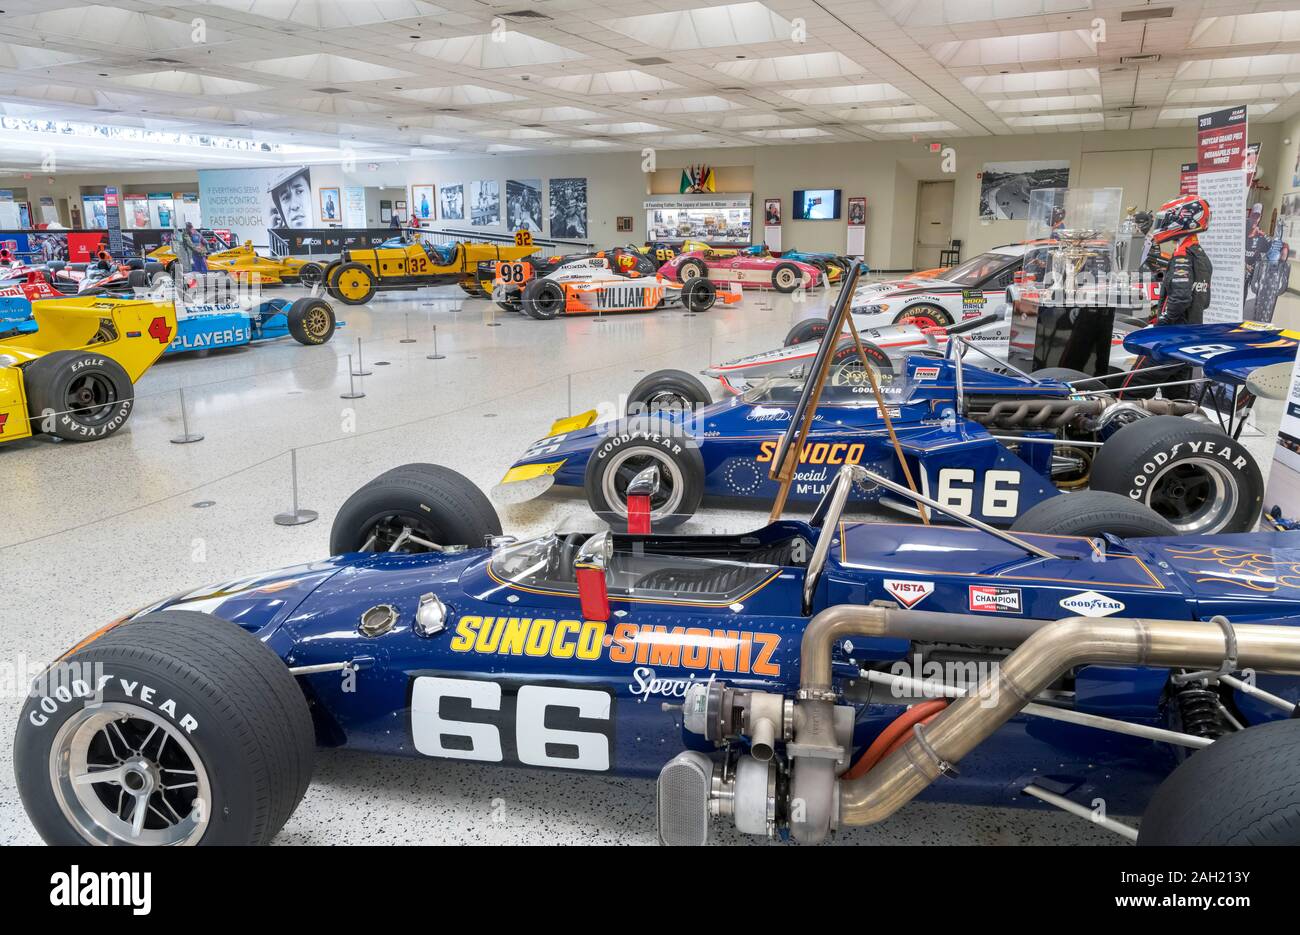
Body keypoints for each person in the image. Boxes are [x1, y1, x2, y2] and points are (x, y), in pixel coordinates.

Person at [1120, 195, 1212, 400]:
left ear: (1183, 220)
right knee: (1178, 401)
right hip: (1190, 339)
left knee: (1130, 392)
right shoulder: (1202, 257)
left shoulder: (1182, 256)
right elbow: (1204, 301)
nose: (1162, 224)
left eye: (1166, 219)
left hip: (1169, 338)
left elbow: (1180, 298)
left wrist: (1161, 322)